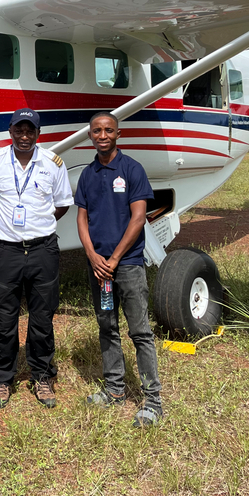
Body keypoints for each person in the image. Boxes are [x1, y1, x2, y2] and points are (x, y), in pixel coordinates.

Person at [0, 107, 73, 410]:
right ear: (10, 131)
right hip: (7, 251)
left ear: (38, 134)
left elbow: (62, 204)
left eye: (30, 130)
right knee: (5, 319)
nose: (24, 136)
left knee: (42, 318)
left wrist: (39, 223)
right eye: (19, 129)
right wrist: (7, 224)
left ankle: (42, 376)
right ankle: (3, 379)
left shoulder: (53, 164)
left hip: (43, 249)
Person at [74, 111, 162, 427]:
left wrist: (113, 260)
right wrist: (93, 256)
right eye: (97, 130)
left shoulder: (132, 170)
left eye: (108, 129)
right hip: (99, 269)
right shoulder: (86, 174)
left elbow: (138, 218)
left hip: (128, 267)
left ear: (118, 134)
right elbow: (81, 219)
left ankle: (152, 400)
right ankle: (115, 390)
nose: (102, 135)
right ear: (90, 135)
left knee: (140, 331)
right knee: (106, 328)